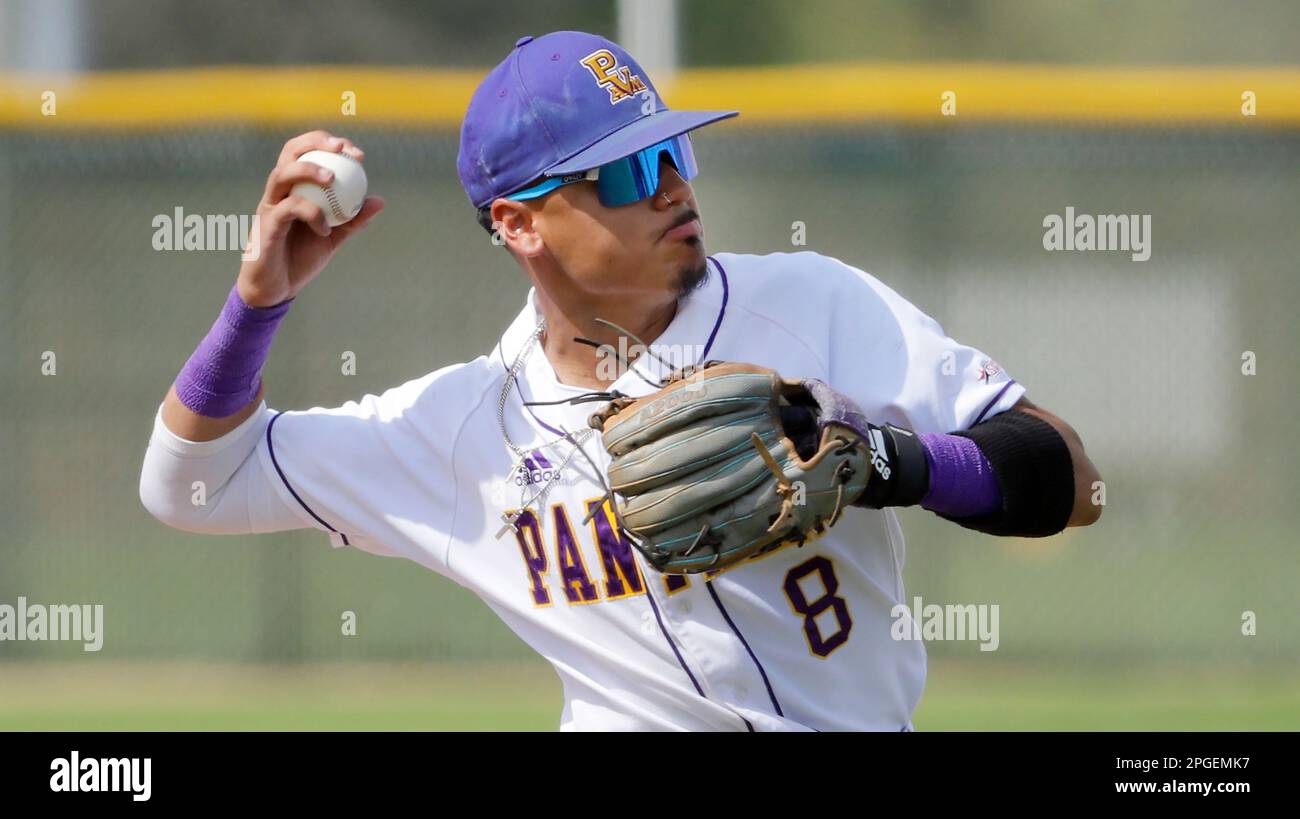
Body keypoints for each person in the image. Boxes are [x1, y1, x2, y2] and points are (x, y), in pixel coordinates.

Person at [140, 30, 1102, 731]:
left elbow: (1073, 481)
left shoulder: (808, 304)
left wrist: (890, 463)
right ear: (519, 224)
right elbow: (191, 483)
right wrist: (257, 301)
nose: (676, 186)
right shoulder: (462, 426)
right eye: (631, 171)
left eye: (675, 151)